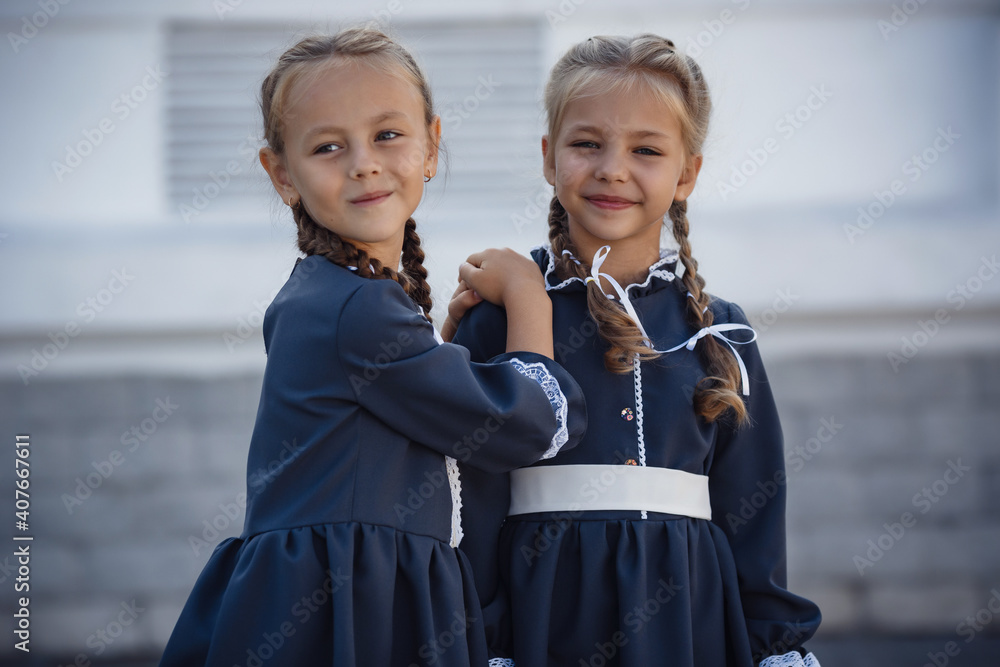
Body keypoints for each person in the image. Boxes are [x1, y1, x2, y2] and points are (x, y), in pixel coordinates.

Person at [159, 27, 586, 667]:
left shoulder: (335, 298)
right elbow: (521, 425)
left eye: (387, 135)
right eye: (329, 146)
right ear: (281, 174)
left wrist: (446, 354)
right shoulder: (356, 309)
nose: (363, 162)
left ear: (431, 146)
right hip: (346, 611)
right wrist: (529, 295)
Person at [451, 34, 821, 667]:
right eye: (586, 143)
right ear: (549, 156)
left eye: (646, 149)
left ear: (687, 174)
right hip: (547, 620)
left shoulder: (721, 333)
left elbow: (755, 509)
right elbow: (473, 506)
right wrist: (486, 642)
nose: (612, 169)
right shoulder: (501, 317)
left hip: (690, 622)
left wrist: (774, 646)